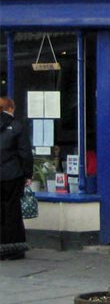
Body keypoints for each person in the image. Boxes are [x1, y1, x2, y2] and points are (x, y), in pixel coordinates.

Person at [0, 96, 32, 260]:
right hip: (12, 175)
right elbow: (25, 153)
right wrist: (28, 174)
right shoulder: (17, 126)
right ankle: (14, 250)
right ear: (10, 108)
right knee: (12, 210)